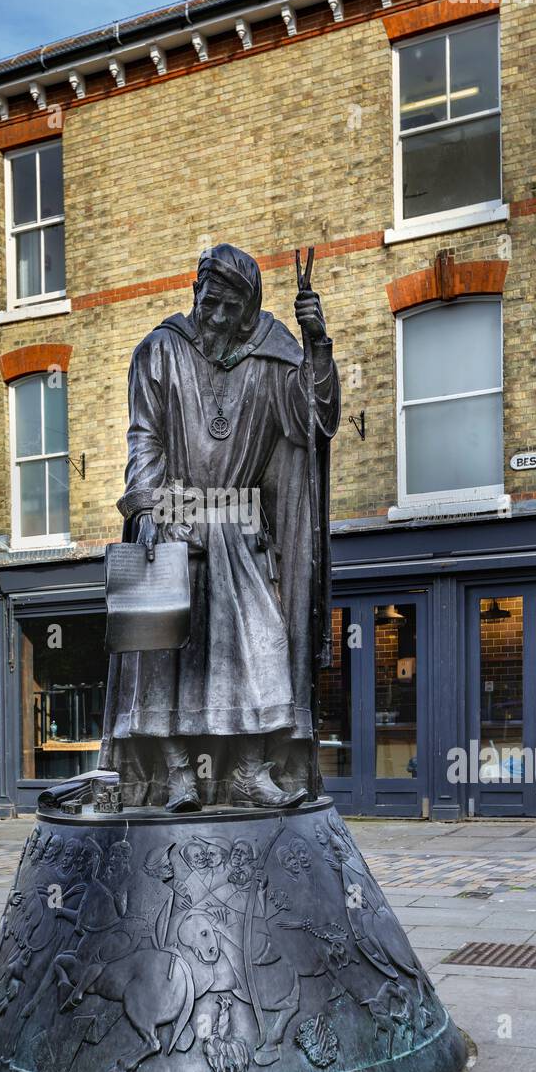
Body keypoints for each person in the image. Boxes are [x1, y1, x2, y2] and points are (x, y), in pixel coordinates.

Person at [99, 243, 340, 811]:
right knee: (169, 651)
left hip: (241, 525)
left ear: (249, 309)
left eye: (228, 308)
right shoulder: (160, 350)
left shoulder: (274, 356)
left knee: (264, 644)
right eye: (208, 303)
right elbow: (145, 437)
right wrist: (152, 511)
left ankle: (249, 770)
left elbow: (313, 423)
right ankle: (177, 772)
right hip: (175, 515)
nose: (214, 318)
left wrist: (317, 347)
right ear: (196, 295)